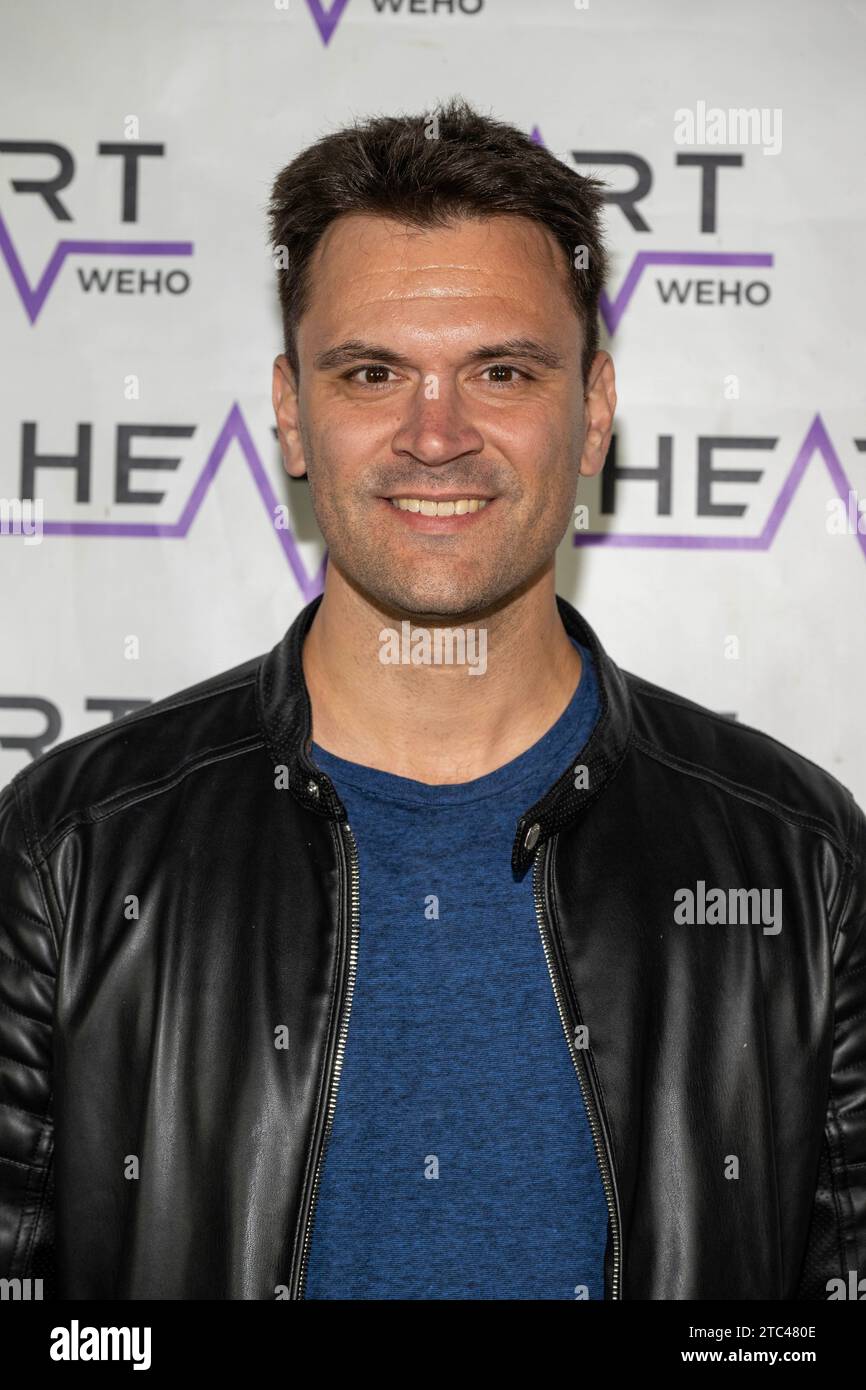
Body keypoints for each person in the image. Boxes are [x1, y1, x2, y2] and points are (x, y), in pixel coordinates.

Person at [1, 97, 863, 1301]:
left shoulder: (797, 857)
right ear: (293, 413)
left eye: (500, 370)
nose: (435, 435)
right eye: (370, 372)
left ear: (594, 410)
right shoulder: (68, 849)